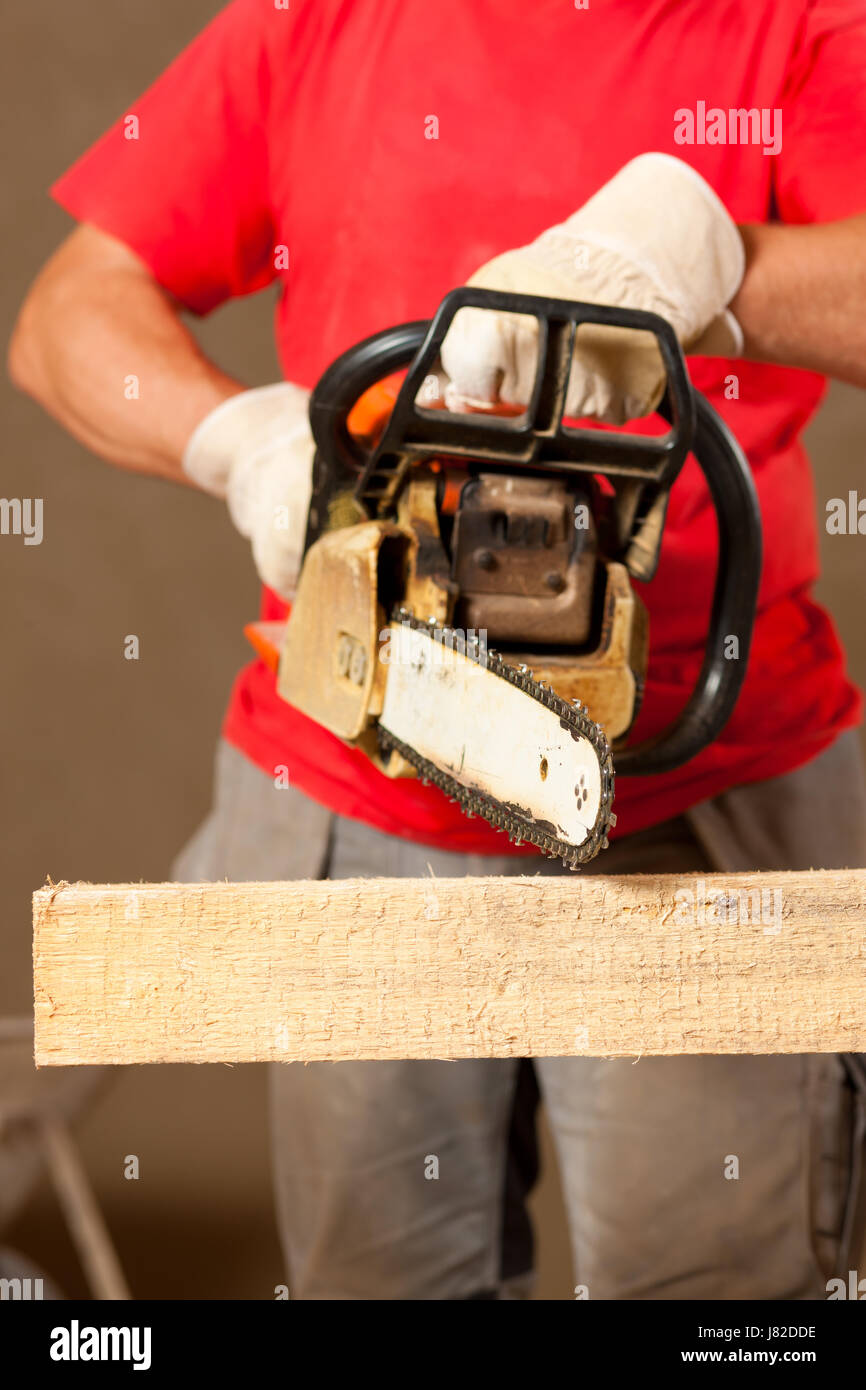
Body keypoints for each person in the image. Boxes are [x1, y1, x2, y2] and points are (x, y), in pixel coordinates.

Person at [9, 0, 866, 1300]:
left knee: (717, 1304)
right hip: (356, 796)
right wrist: (237, 439)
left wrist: (718, 268)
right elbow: (71, 309)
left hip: (704, 800)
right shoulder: (311, 25)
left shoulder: (796, 27)